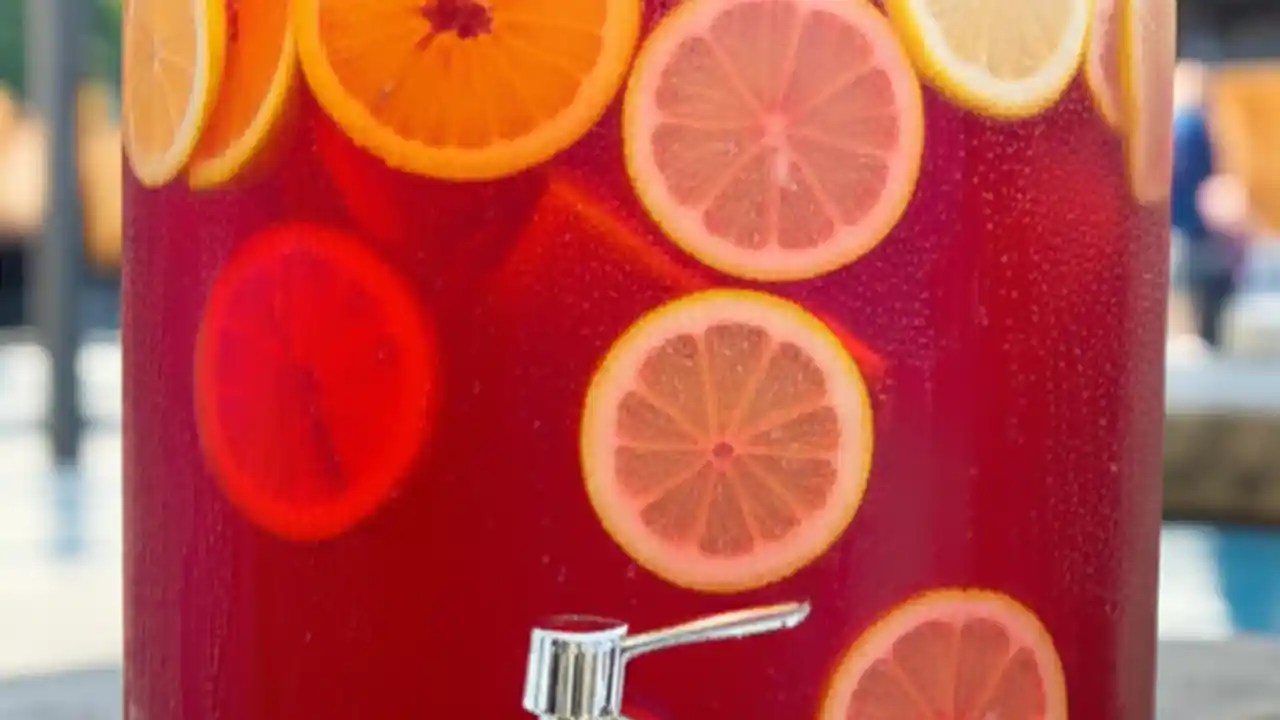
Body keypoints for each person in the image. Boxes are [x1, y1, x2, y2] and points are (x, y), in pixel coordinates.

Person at [1171, 61, 1250, 350]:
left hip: (1186, 219)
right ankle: (1199, 336)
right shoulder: (1199, 124)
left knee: (1187, 280)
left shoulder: (1185, 124)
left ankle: (1189, 334)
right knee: (1198, 282)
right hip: (1197, 220)